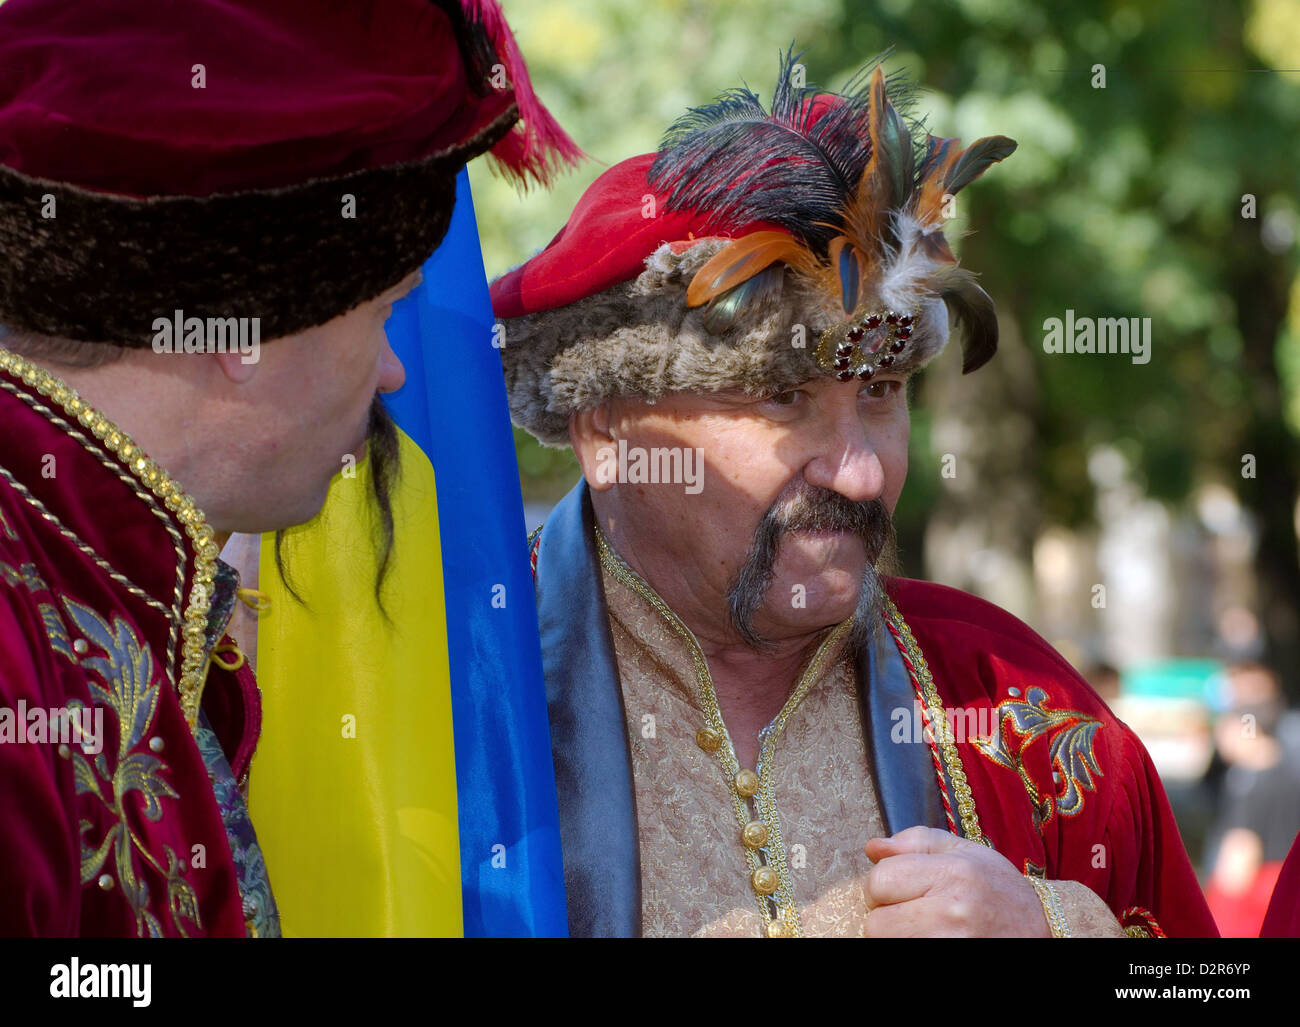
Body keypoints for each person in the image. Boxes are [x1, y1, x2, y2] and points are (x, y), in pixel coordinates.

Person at [491, 54, 1219, 938]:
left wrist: (1053, 926)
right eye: (783, 397)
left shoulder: (1026, 710)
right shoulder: (453, 705)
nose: (861, 474)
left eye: (881, 394)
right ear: (607, 432)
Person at [0, 0, 568, 937]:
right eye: (386, 312)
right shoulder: (33, 629)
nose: (395, 371)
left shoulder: (126, 602)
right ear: (248, 326)